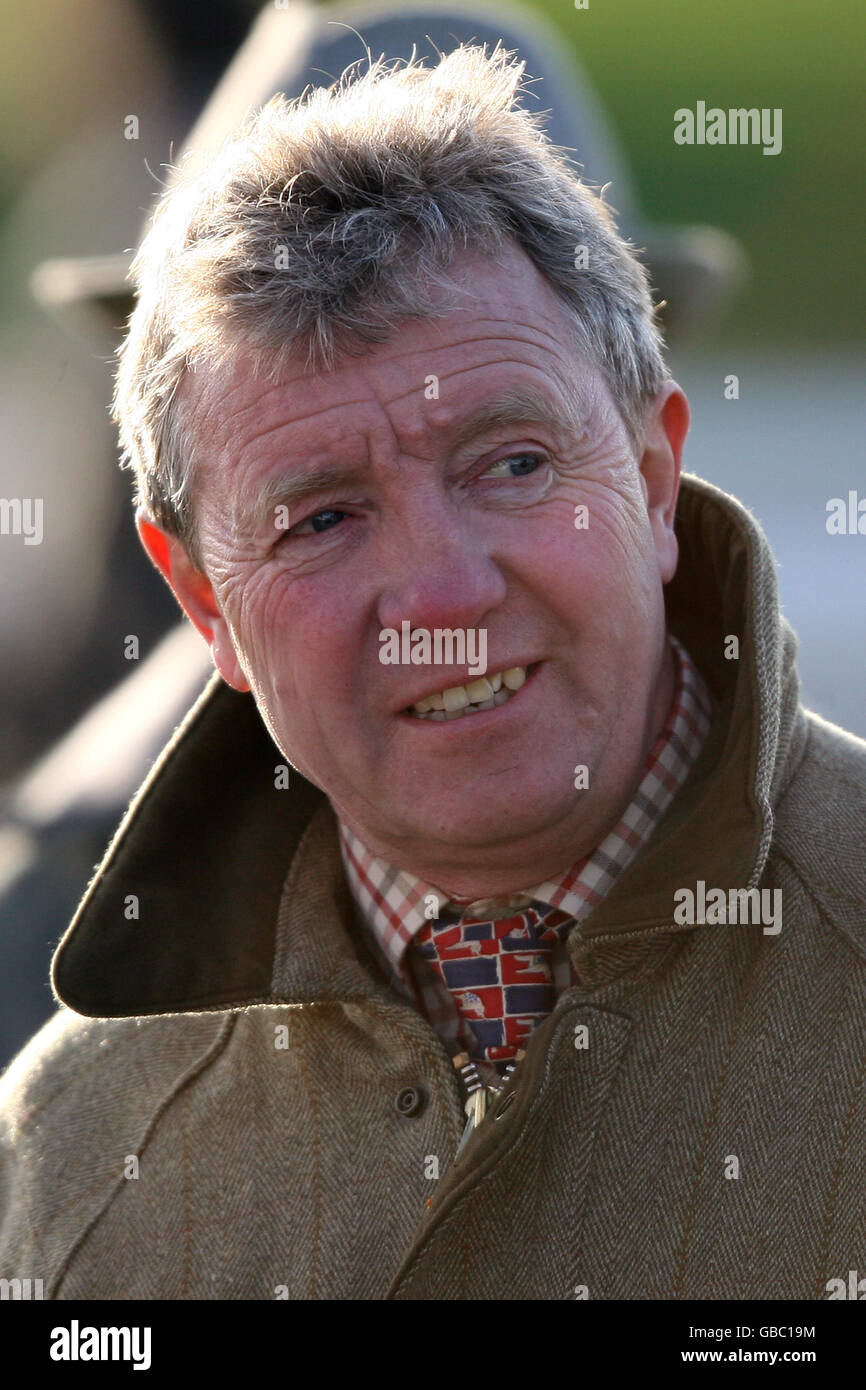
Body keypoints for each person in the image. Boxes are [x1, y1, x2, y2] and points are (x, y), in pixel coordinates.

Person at [2, 41, 864, 1302]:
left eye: (510, 462)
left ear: (650, 473)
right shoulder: (69, 1158)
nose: (445, 600)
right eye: (322, 519)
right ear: (200, 602)